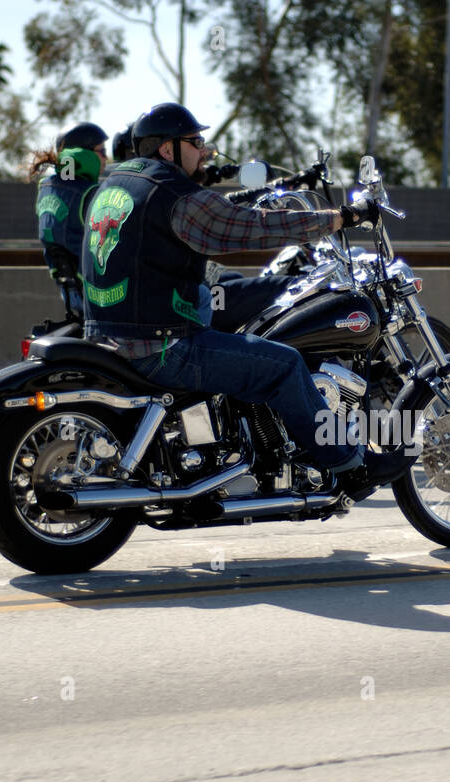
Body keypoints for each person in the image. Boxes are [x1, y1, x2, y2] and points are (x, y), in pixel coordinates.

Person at [80, 102, 407, 494]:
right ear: (167, 149)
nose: (203, 150)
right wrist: (340, 218)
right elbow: (249, 229)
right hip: (162, 346)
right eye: (196, 141)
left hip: (108, 333)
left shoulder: (117, 184)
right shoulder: (174, 195)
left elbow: (212, 216)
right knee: (284, 364)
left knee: (223, 312)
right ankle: (350, 467)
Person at [30, 122, 108, 320]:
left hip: (69, 291)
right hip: (98, 297)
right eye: (102, 151)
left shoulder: (46, 187)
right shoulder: (91, 193)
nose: (106, 158)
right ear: (85, 154)